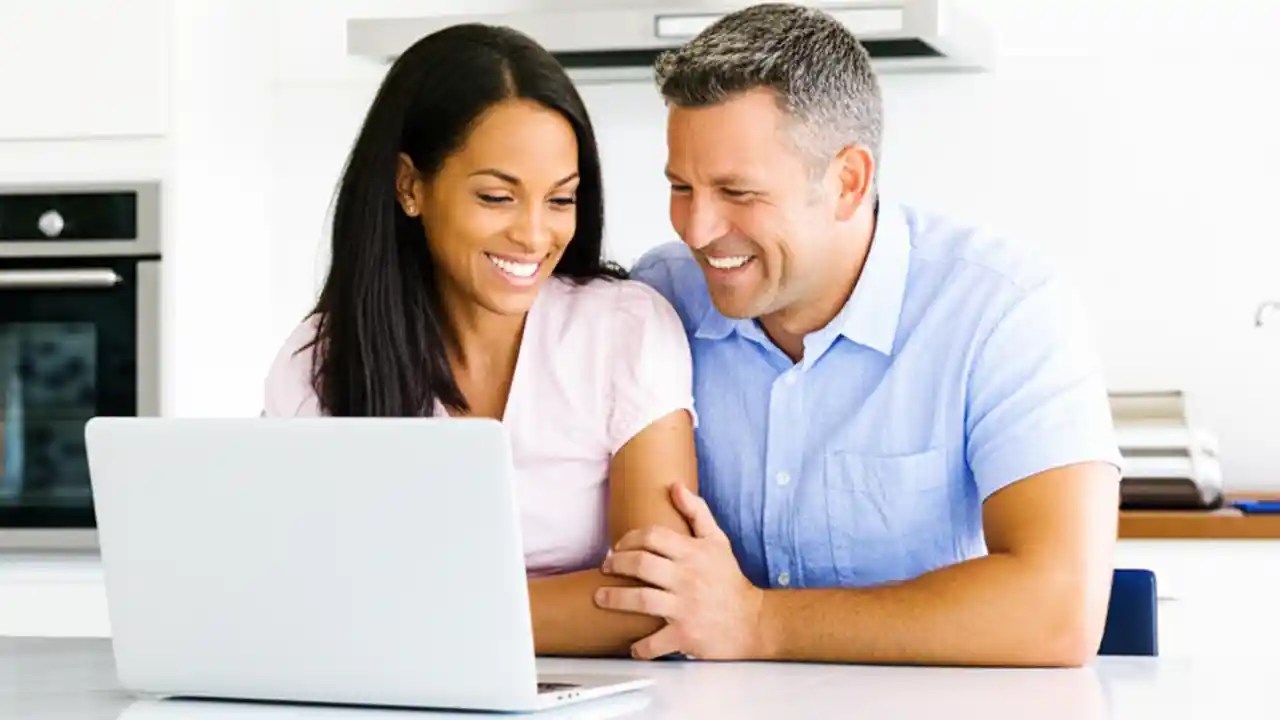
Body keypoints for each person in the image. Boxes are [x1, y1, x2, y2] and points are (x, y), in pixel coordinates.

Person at [594, 3, 1122, 667]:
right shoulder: (658, 300)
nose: (695, 230)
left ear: (848, 182)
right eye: (680, 186)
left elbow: (1058, 610)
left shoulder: (1003, 310)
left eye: (738, 192)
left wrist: (762, 623)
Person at [262, 24, 699, 657]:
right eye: (497, 196)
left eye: (560, 199)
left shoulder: (624, 331)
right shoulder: (320, 361)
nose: (533, 234)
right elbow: (289, 590)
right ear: (410, 185)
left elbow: (652, 600)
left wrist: (396, 618)